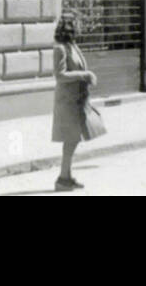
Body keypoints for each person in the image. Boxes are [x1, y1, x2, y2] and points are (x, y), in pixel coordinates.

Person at [51, 13, 97, 191]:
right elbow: (60, 75)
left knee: (73, 139)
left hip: (77, 99)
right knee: (71, 139)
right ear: (69, 27)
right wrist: (84, 75)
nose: (79, 27)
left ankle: (66, 177)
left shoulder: (72, 46)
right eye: (76, 24)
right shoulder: (60, 48)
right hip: (67, 101)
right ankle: (62, 178)